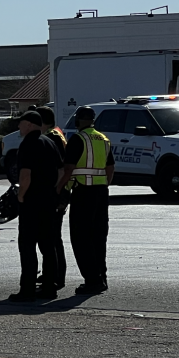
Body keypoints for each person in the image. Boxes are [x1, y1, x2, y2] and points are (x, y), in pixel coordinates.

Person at [57, 106, 115, 295]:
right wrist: (104, 185)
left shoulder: (78, 139)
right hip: (101, 192)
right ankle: (101, 277)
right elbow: (110, 168)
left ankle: (92, 280)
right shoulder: (103, 139)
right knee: (99, 236)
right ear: (93, 120)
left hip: (83, 192)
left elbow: (69, 169)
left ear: (78, 120)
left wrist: (58, 189)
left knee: (81, 238)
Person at [10, 111, 64, 303]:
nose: (19, 127)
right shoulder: (49, 142)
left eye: (21, 123)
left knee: (27, 245)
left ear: (31, 125)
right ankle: (49, 287)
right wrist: (54, 191)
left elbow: (26, 175)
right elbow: (61, 171)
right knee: (48, 245)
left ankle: (27, 289)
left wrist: (21, 195)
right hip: (48, 199)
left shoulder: (28, 144)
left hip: (32, 201)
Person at [37, 106, 67, 291]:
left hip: (56, 193)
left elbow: (56, 169)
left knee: (52, 238)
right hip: (61, 192)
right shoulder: (57, 134)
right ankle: (54, 273)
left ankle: (56, 275)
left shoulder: (50, 138)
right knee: (54, 237)